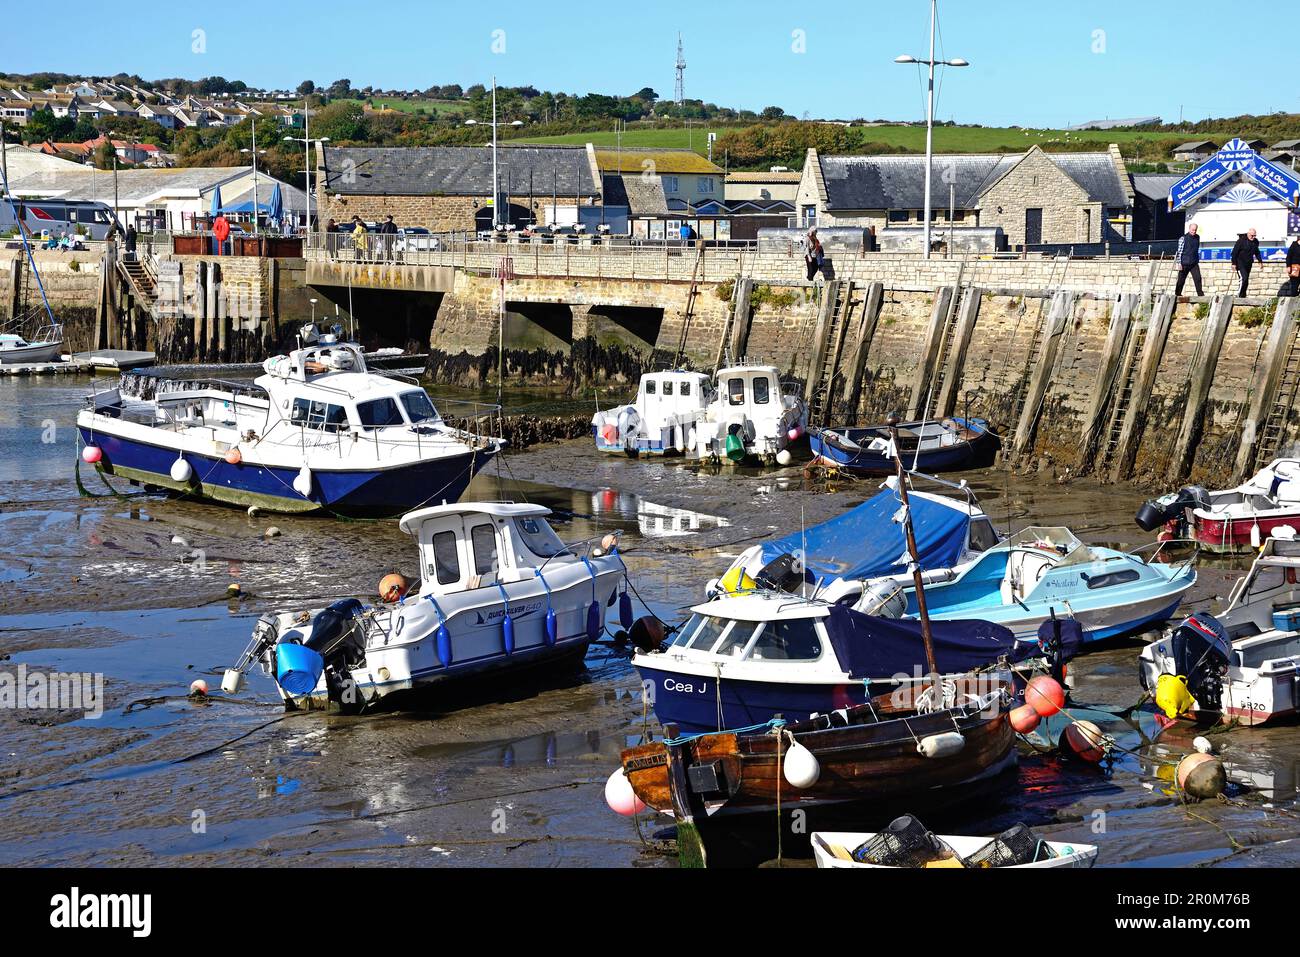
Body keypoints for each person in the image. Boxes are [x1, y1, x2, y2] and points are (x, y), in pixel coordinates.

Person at [1230, 228, 1262, 297]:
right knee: (1243, 278)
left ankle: (1243, 295)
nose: (1253, 237)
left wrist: (1260, 261)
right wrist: (1233, 263)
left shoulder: (1255, 242)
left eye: (1254, 236)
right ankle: (1239, 294)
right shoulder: (1241, 241)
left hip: (1249, 263)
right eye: (1252, 235)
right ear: (1248, 234)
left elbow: (1257, 252)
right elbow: (1234, 252)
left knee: (1246, 279)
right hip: (1240, 263)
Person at [1174, 223, 1203, 297]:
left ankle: (1200, 295)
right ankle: (1177, 294)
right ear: (1189, 229)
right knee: (1181, 280)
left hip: (1194, 263)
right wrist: (1179, 263)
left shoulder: (1197, 237)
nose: (1194, 231)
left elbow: (1196, 249)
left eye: (1195, 230)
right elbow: (1179, 252)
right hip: (1184, 263)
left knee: (1198, 278)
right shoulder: (1183, 238)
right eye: (1193, 230)